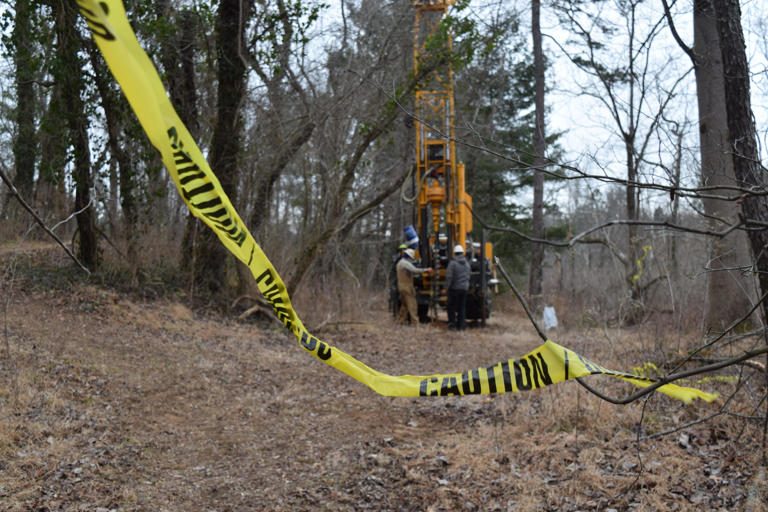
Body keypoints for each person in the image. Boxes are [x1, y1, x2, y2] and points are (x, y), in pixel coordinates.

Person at [396, 249, 432, 324]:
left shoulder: (399, 263)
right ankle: (415, 323)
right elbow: (414, 270)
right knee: (412, 305)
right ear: (409, 257)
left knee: (404, 305)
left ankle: (400, 321)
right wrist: (426, 270)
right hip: (407, 287)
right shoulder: (406, 264)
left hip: (401, 286)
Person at [445, 244, 470, 330]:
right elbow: (468, 276)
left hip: (455, 289)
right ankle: (461, 326)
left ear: (455, 253)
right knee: (462, 307)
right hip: (464, 289)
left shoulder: (453, 264)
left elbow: (449, 277)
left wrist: (446, 288)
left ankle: (452, 325)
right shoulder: (467, 264)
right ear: (462, 253)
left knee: (451, 307)